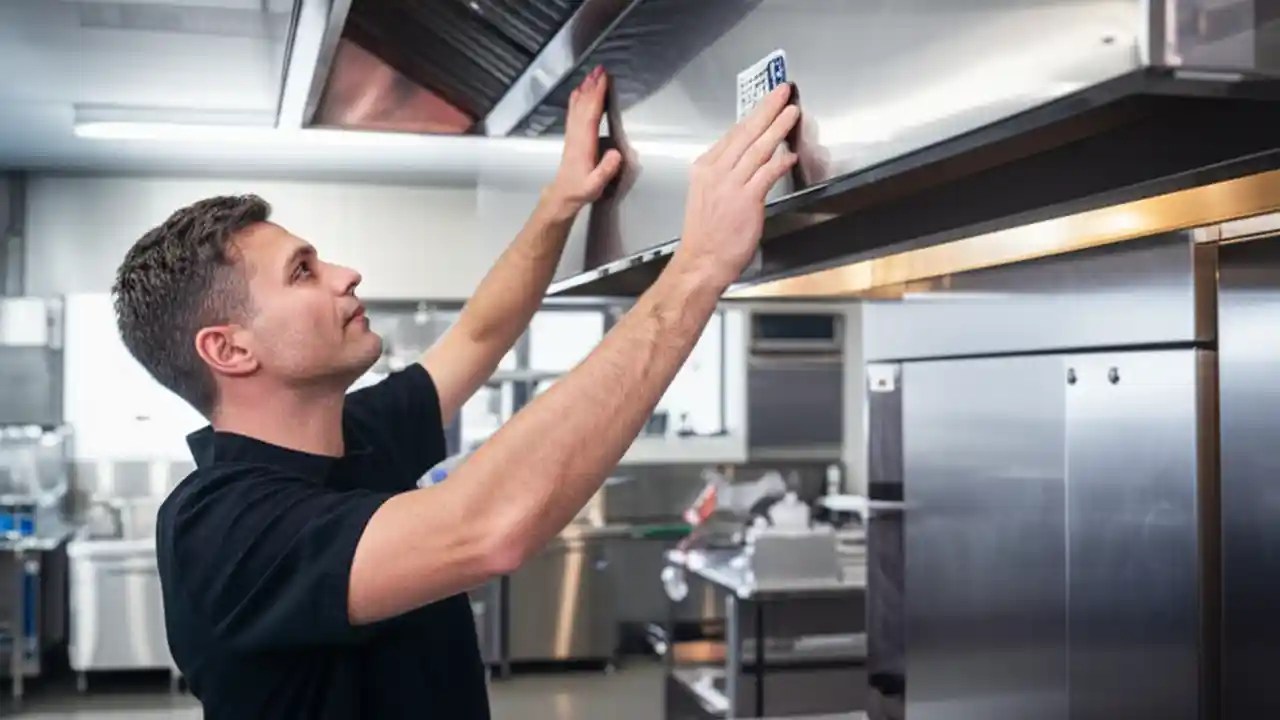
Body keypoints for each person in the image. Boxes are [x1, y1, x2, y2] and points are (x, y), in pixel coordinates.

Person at [111, 65, 799, 719]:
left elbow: (478, 334)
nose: (346, 274)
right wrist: (699, 267)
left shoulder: (354, 435)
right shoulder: (220, 528)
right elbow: (487, 528)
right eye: (302, 273)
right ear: (229, 349)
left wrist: (560, 202)